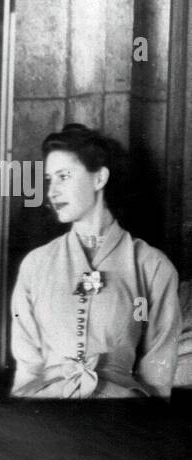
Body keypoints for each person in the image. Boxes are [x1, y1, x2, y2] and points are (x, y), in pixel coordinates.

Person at [10, 124, 179, 398]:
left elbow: (157, 373)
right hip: (45, 414)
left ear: (99, 178)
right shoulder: (35, 265)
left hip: (118, 421)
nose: (51, 192)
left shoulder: (152, 267)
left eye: (64, 176)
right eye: (49, 179)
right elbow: (27, 369)